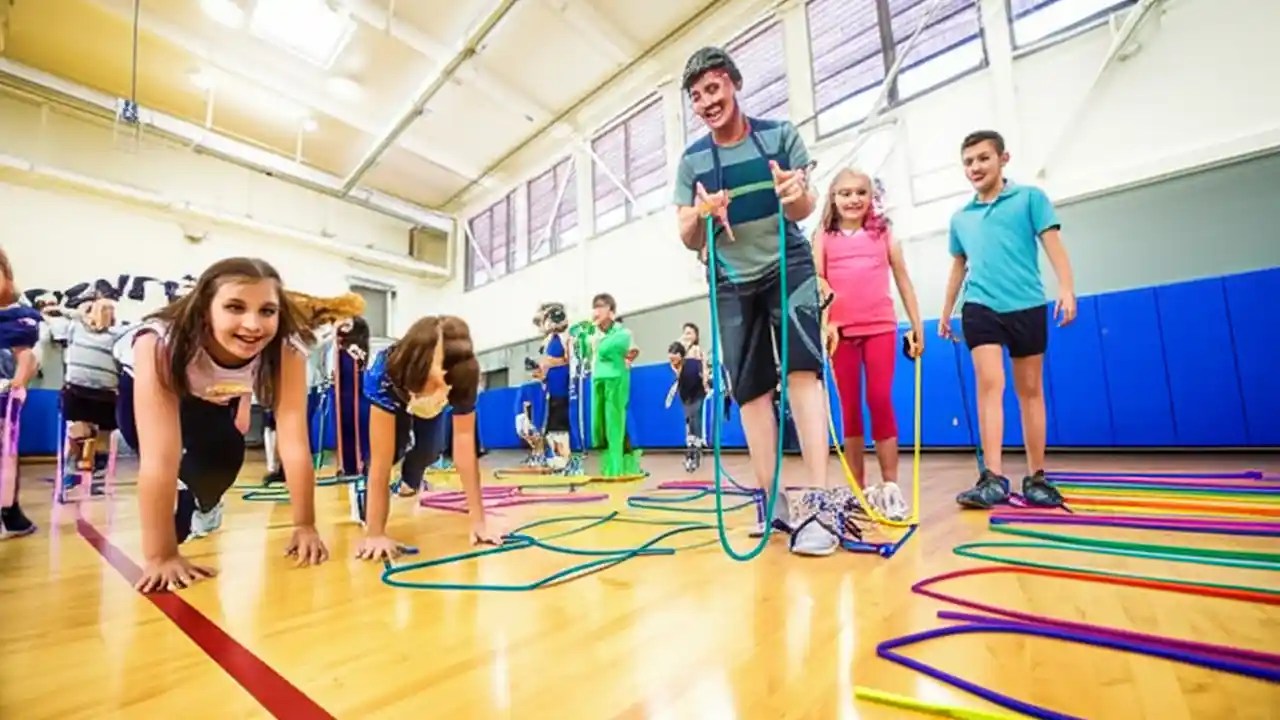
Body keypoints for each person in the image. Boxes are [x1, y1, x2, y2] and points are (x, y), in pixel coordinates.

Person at [673, 46, 834, 553]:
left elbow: (805, 206)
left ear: (734, 85)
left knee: (802, 376)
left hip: (789, 265)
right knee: (750, 391)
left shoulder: (779, 135)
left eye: (713, 89)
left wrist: (793, 191)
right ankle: (772, 502)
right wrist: (700, 214)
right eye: (696, 97)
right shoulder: (693, 160)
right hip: (729, 280)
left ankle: (820, 502)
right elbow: (688, 237)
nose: (706, 102)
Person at [125, 257, 330, 593]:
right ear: (206, 309)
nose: (253, 324)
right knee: (168, 465)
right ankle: (171, 531)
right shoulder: (159, 342)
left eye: (267, 311)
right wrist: (160, 556)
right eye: (235, 307)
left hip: (215, 398)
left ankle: (206, 505)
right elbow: (159, 458)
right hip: (151, 390)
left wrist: (305, 524)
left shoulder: (287, 350)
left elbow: (294, 442)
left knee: (224, 460)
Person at [940, 130, 1076, 509]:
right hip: (980, 306)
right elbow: (958, 265)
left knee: (1029, 390)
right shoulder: (961, 218)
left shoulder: (1031, 199)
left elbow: (1053, 245)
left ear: (1003, 159)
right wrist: (948, 309)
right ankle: (992, 477)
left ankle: (1036, 477)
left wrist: (1066, 287)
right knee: (989, 384)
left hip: (1026, 305)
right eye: (968, 162)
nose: (975, 167)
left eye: (983, 158)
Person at [814, 168, 923, 521]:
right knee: (850, 408)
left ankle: (890, 487)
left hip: (880, 326)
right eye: (845, 193)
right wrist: (825, 323)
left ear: (870, 197)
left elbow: (903, 278)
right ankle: (857, 490)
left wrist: (917, 324)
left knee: (879, 398)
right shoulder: (824, 236)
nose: (853, 199)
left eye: (860, 192)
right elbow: (817, 280)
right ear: (833, 198)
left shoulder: (883, 232)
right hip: (840, 333)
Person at [356, 315, 500, 560]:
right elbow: (380, 462)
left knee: (431, 449)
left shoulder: (463, 377)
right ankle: (367, 504)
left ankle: (409, 482)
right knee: (390, 453)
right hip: (395, 396)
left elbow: (464, 446)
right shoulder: (384, 374)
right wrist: (375, 534)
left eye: (448, 385)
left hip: (425, 405)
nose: (443, 389)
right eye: (437, 381)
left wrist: (478, 521)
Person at [58, 297, 128, 498]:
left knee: (103, 437)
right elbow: (59, 313)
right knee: (79, 431)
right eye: (100, 310)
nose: (103, 315)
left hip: (105, 394)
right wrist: (81, 315)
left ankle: (97, 480)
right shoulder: (75, 328)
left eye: (108, 311)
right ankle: (70, 475)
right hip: (78, 390)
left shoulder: (117, 334)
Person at [0, 248, 40, 539]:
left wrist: (18, 382)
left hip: (4, 392)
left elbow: (26, 357)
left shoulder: (18, 317)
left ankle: (8, 510)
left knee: (6, 455)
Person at [588, 293, 642, 478]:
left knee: (615, 423)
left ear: (611, 311)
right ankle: (614, 463)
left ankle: (617, 466)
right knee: (599, 425)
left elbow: (632, 350)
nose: (596, 311)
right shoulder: (591, 333)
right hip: (597, 379)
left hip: (616, 379)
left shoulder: (623, 333)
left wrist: (627, 358)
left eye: (601, 307)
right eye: (595, 307)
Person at [532, 302, 572, 471]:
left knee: (559, 424)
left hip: (561, 388)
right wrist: (541, 372)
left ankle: (564, 459)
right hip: (550, 388)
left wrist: (550, 363)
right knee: (550, 425)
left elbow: (569, 359)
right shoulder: (549, 340)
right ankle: (555, 457)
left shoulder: (565, 337)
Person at [664, 322, 709, 472]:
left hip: (697, 391)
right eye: (685, 333)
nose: (687, 335)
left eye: (690, 333)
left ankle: (694, 453)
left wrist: (706, 383)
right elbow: (674, 365)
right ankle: (691, 451)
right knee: (689, 421)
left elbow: (704, 368)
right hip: (685, 391)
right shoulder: (678, 351)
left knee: (695, 419)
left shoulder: (697, 351)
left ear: (696, 336)